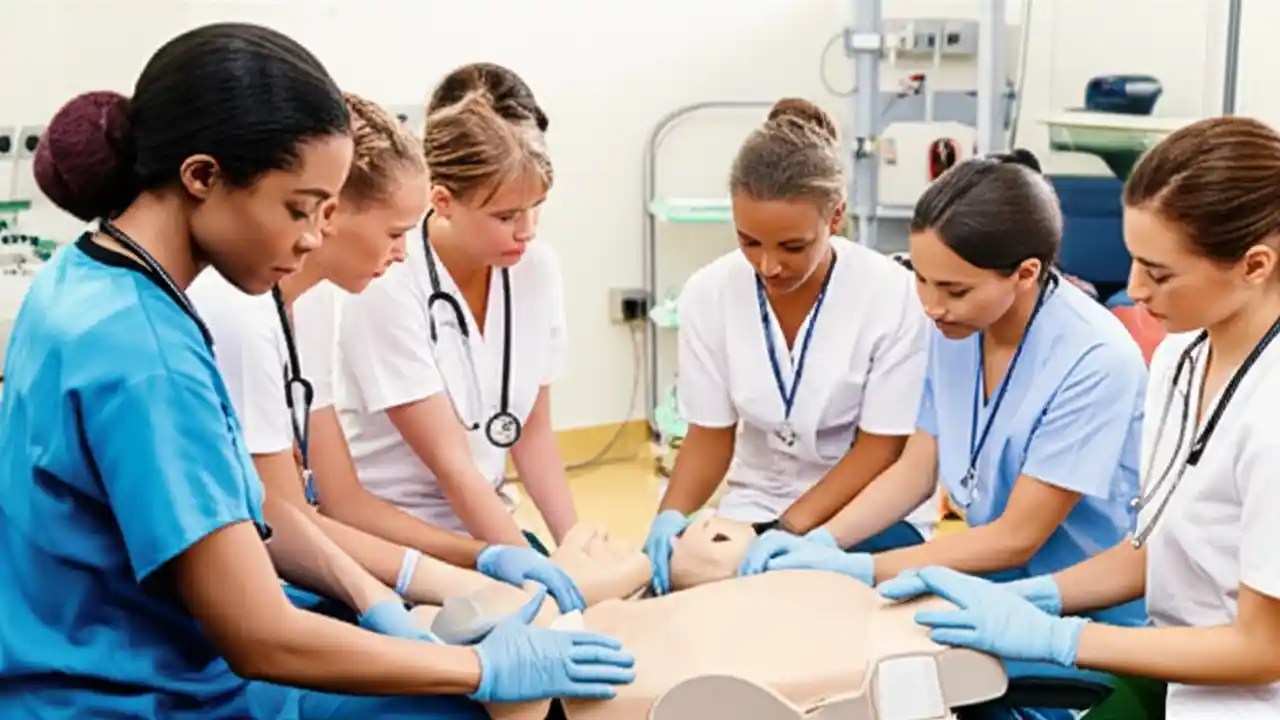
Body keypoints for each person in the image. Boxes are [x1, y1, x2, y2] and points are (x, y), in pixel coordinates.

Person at [0, 23, 632, 718]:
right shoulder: (148, 355)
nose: (312, 238)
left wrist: (419, 584)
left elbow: (262, 510)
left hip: (87, 659)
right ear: (202, 177)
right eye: (301, 209)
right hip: (131, 695)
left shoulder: (86, 279)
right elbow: (261, 637)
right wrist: (472, 666)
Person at [876, 116, 1280, 719]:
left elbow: (1263, 647)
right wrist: (1035, 598)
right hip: (1174, 678)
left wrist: (1060, 639)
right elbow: (1156, 547)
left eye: (1160, 273)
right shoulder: (1180, 356)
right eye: (1133, 261)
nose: (1136, 291)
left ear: (1254, 265)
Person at [186, 91, 585, 617]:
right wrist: (393, 596)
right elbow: (284, 519)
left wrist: (483, 557)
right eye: (396, 232)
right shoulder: (241, 315)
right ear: (327, 213)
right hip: (263, 585)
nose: (403, 251)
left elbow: (339, 500)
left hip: (337, 549)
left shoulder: (313, 310)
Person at [642, 98, 934, 595]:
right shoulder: (709, 293)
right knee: (685, 590)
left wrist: (790, 532)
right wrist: (670, 517)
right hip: (752, 509)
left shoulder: (893, 296)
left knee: (800, 597)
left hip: (866, 514)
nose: (768, 265)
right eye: (748, 241)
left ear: (836, 216)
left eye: (792, 247)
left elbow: (880, 449)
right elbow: (710, 437)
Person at [338, 64, 577, 549]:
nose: (527, 230)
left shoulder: (536, 267)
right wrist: (531, 568)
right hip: (402, 534)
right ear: (442, 201)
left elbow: (532, 434)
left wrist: (574, 543)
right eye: (506, 215)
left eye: (537, 207)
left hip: (489, 522)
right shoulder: (387, 281)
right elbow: (451, 464)